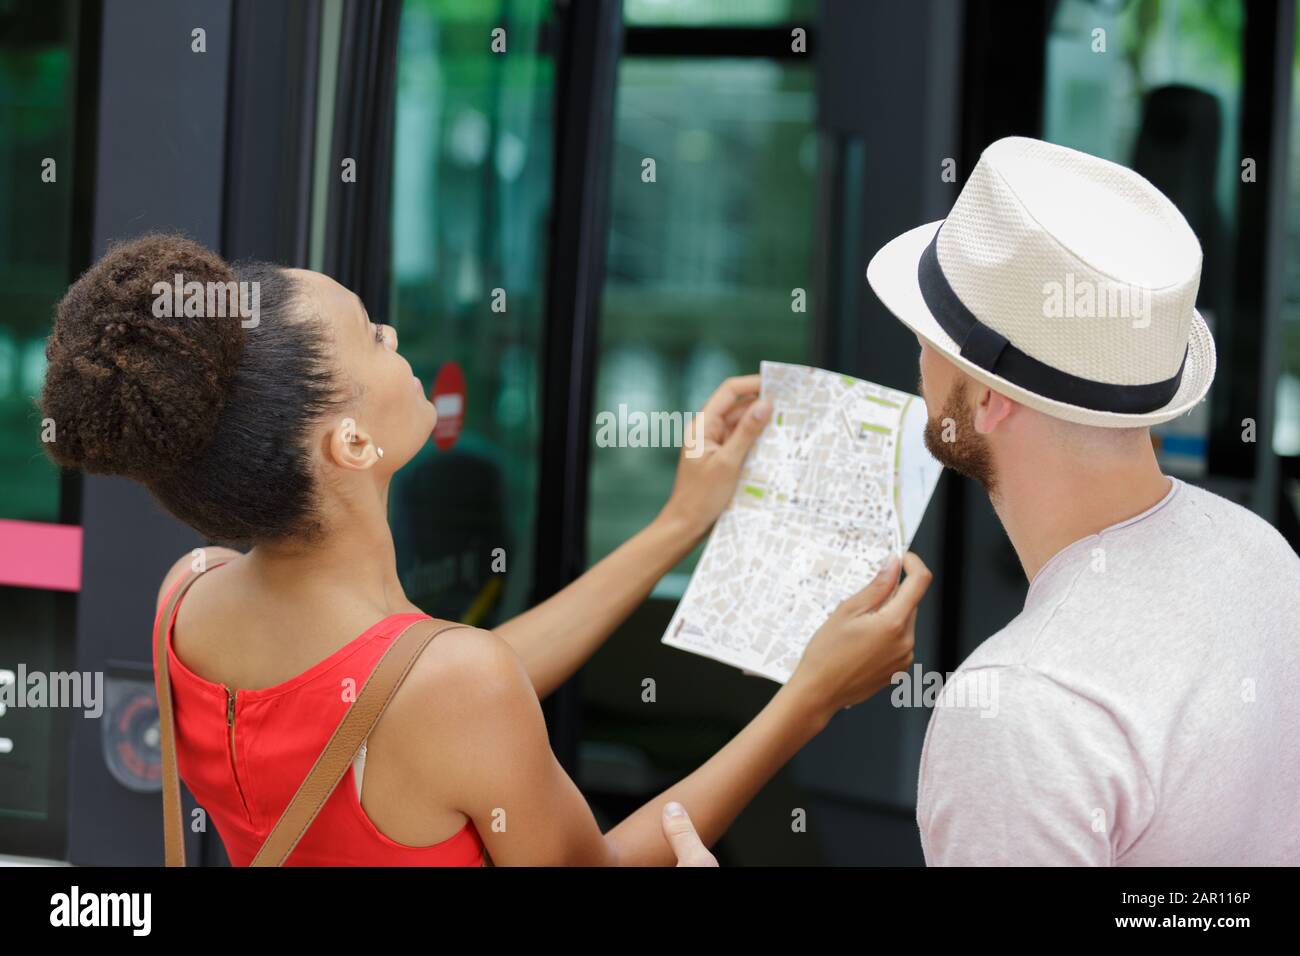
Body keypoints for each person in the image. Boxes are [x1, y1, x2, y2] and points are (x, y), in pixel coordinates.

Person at [41, 233, 930, 866]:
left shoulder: (188, 599)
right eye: (370, 336)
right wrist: (810, 700)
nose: (395, 338)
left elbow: (420, 696)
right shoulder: (449, 686)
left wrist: (677, 523)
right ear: (349, 445)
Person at [866, 136, 1300, 865]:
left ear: (993, 399)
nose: (918, 344)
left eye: (936, 330)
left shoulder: (1019, 711)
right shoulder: (1259, 551)